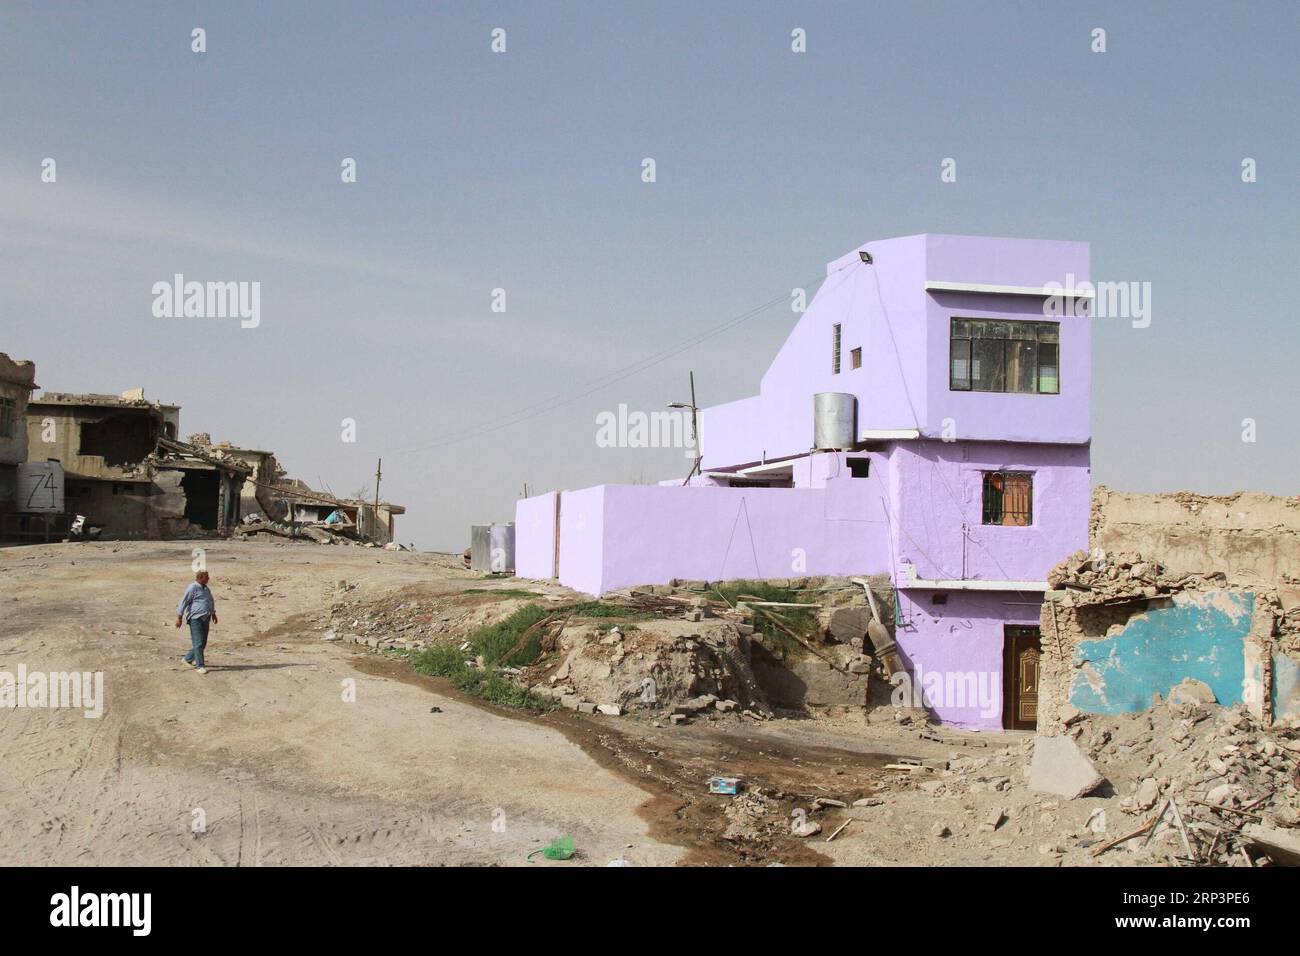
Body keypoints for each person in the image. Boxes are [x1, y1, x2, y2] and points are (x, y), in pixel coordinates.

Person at [175, 570, 218, 674]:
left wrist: (213, 613)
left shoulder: (206, 589)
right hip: (195, 618)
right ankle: (200, 666)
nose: (208, 579)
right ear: (200, 577)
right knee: (198, 642)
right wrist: (179, 617)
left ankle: (187, 659)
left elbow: (210, 601)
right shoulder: (192, 587)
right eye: (206, 577)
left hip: (206, 618)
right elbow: (184, 602)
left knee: (202, 643)